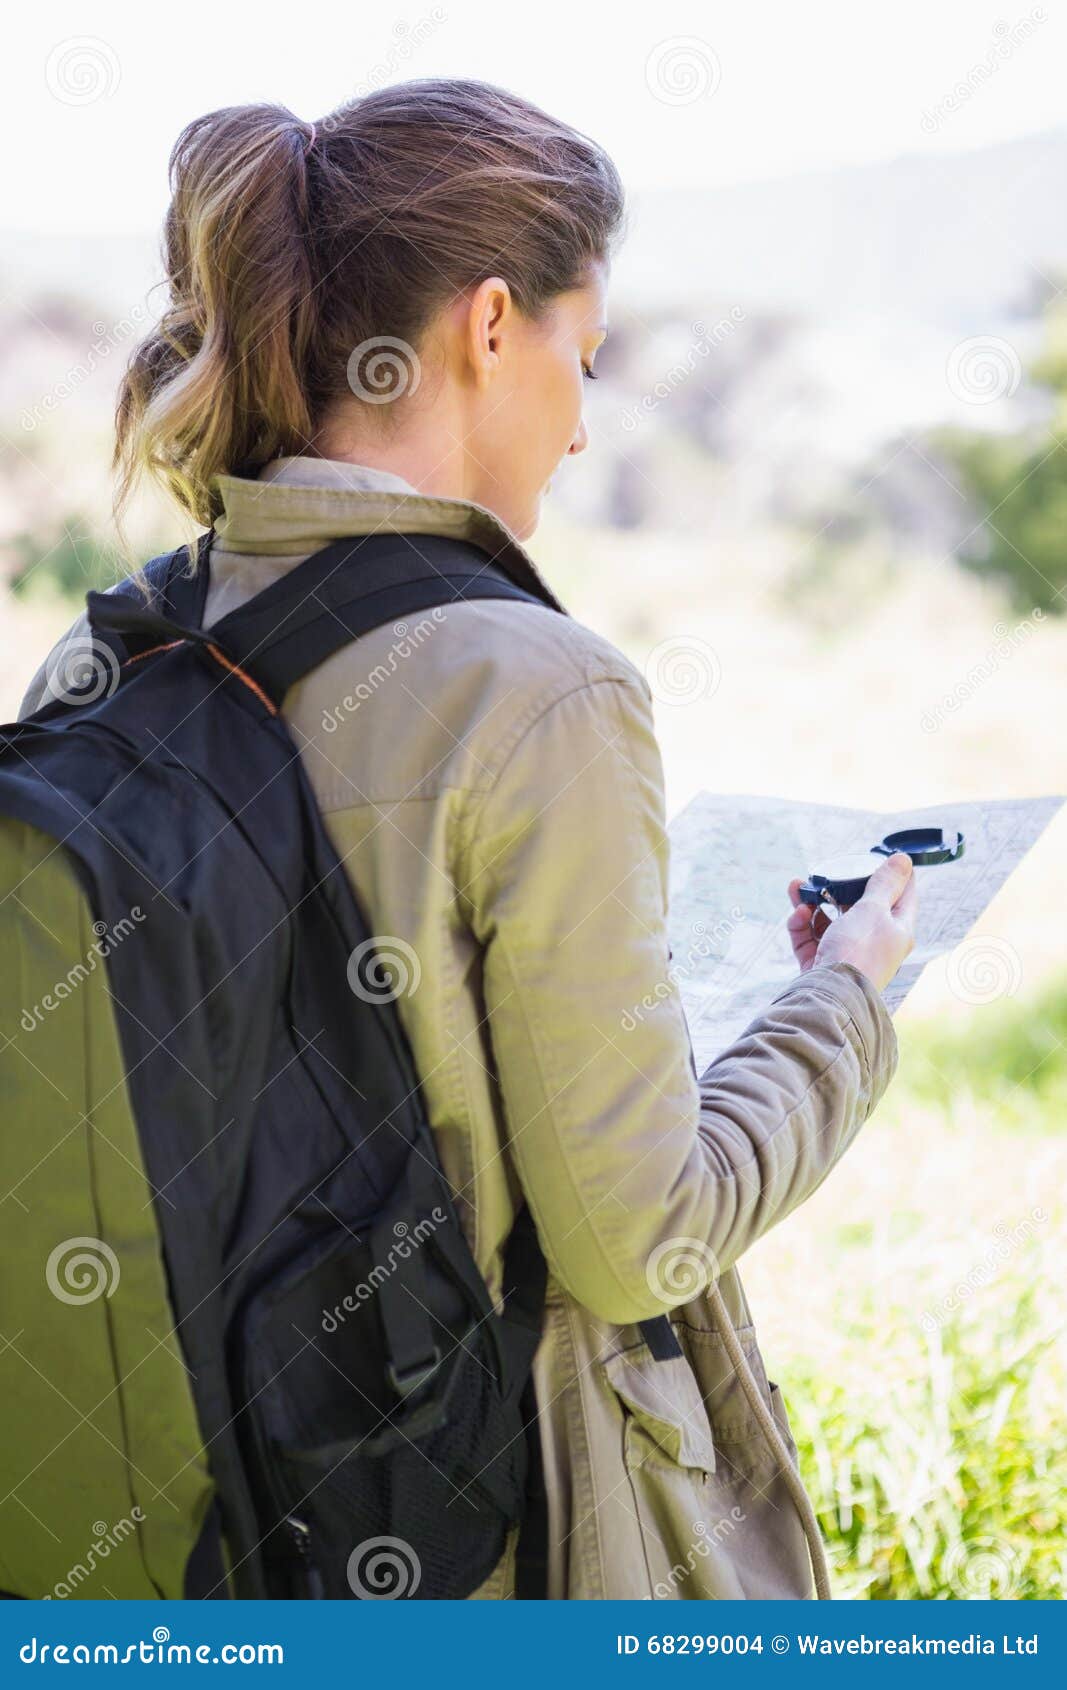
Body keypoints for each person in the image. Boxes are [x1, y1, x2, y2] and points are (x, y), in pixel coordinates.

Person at [21, 78, 916, 1600]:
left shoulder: (109, 657)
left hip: (166, 1555)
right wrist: (842, 1004)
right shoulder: (538, 687)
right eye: (586, 353)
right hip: (485, 1551)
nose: (583, 418)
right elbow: (640, 1240)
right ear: (491, 326)